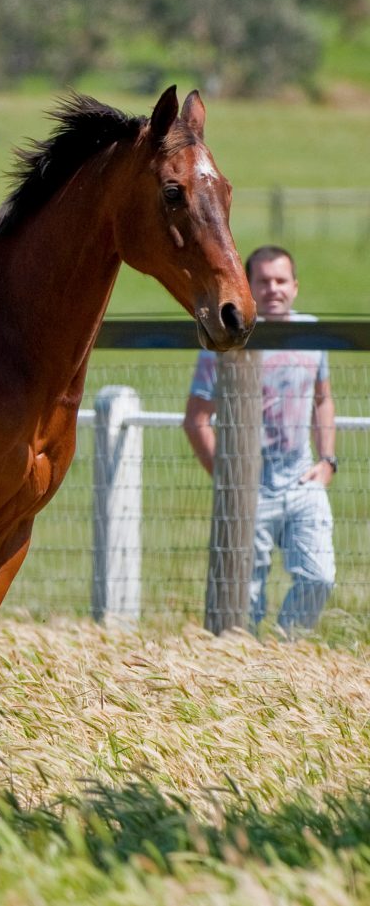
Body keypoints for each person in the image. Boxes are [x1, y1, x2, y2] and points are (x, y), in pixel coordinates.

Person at [182, 245, 336, 634]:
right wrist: (231, 479)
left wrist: (327, 461)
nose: (273, 289)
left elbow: (322, 400)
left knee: (319, 577)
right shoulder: (225, 340)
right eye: (263, 281)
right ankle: (242, 663)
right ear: (248, 286)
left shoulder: (312, 334)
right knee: (242, 602)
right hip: (250, 488)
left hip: (303, 480)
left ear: (295, 286)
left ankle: (287, 653)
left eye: (281, 280)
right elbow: (196, 420)